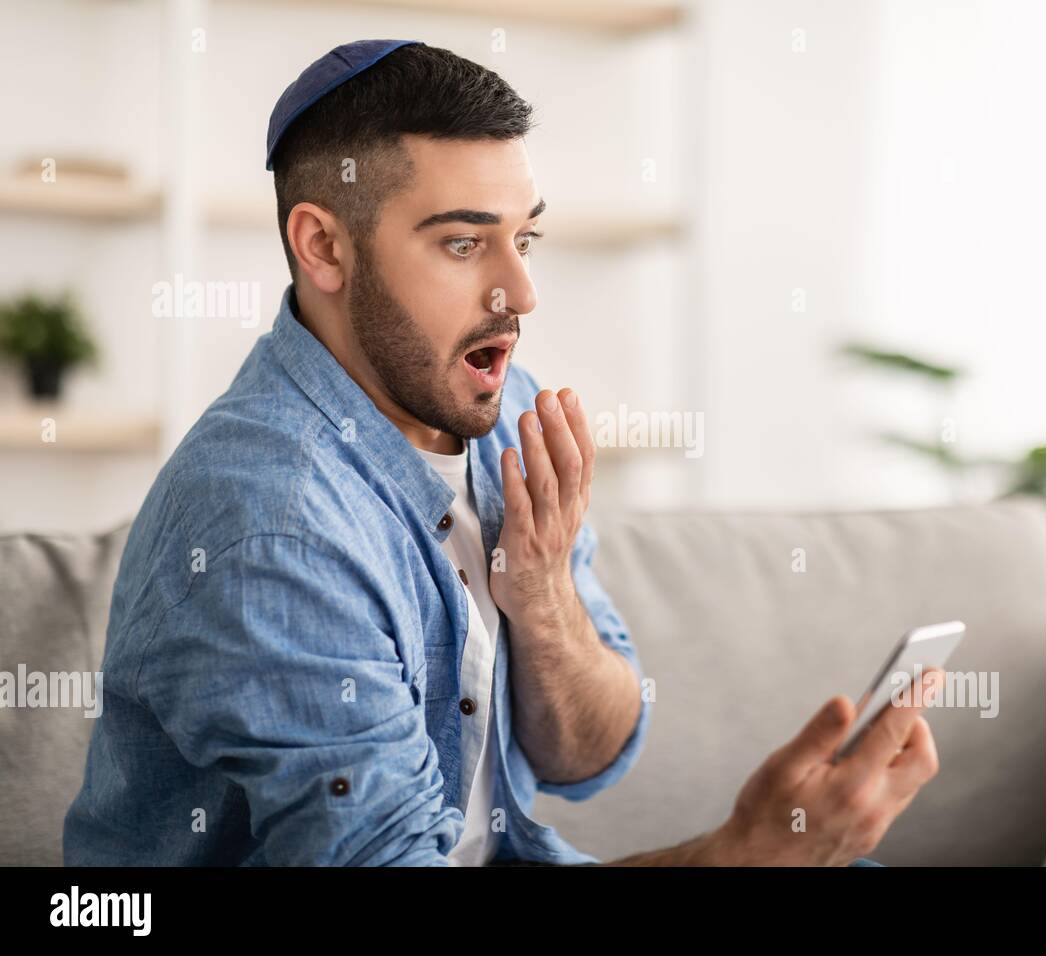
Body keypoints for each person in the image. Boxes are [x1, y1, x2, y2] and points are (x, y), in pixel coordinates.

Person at [63, 40, 942, 867]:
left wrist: (547, 595)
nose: (520, 292)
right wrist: (738, 855)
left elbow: (589, 756)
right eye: (462, 242)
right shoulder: (271, 524)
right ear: (324, 246)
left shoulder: (500, 409)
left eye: (524, 239)